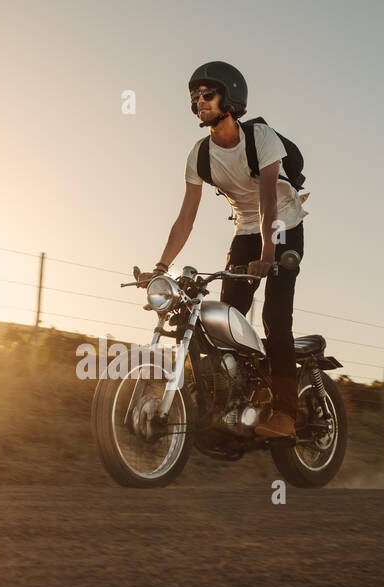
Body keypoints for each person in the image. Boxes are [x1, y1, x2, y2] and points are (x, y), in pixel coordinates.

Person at [145, 60, 309, 439]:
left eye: (207, 95)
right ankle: (236, 401)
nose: (199, 102)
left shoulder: (261, 137)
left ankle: (285, 412)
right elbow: (185, 218)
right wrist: (161, 265)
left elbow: (269, 200)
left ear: (231, 99)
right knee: (224, 322)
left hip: (284, 226)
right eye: (194, 97)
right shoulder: (199, 155)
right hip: (246, 231)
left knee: (275, 315)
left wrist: (269, 255)